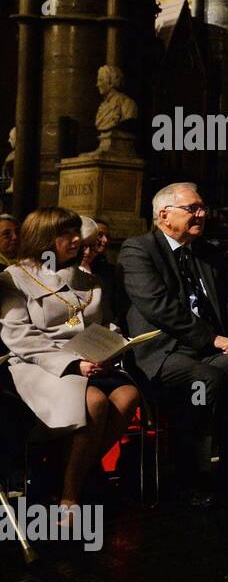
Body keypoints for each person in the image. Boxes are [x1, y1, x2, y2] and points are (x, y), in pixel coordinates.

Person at [118, 182, 228, 505]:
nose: (202, 214)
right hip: (161, 351)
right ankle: (191, 479)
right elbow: (159, 306)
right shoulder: (138, 250)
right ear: (164, 215)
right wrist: (212, 338)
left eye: (202, 208)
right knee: (205, 380)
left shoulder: (207, 254)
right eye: (192, 208)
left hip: (203, 350)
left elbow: (220, 304)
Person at [0, 208, 141, 512]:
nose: (77, 239)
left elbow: (105, 325)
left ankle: (61, 473)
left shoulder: (89, 279)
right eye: (66, 233)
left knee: (128, 395)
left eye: (77, 232)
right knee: (94, 402)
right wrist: (72, 364)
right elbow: (19, 336)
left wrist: (110, 349)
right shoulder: (15, 277)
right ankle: (70, 494)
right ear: (43, 237)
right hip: (39, 365)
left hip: (92, 361)